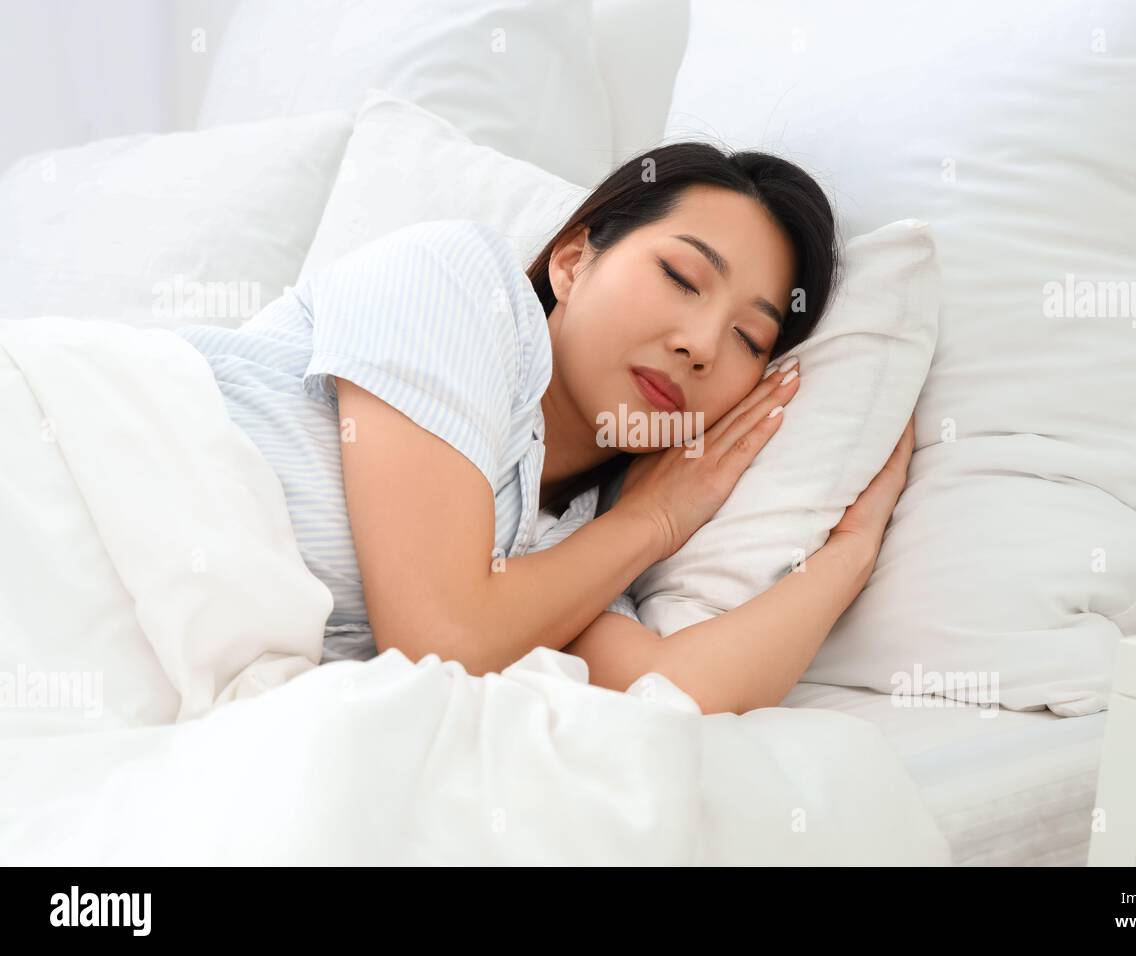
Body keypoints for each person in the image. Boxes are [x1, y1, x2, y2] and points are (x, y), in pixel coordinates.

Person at [176, 141, 914, 715]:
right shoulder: (460, 285)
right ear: (571, 261)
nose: (700, 345)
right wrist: (657, 517)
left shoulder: (578, 543)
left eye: (749, 339)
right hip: (108, 468)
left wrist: (850, 553)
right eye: (682, 278)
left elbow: (675, 690)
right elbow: (442, 639)